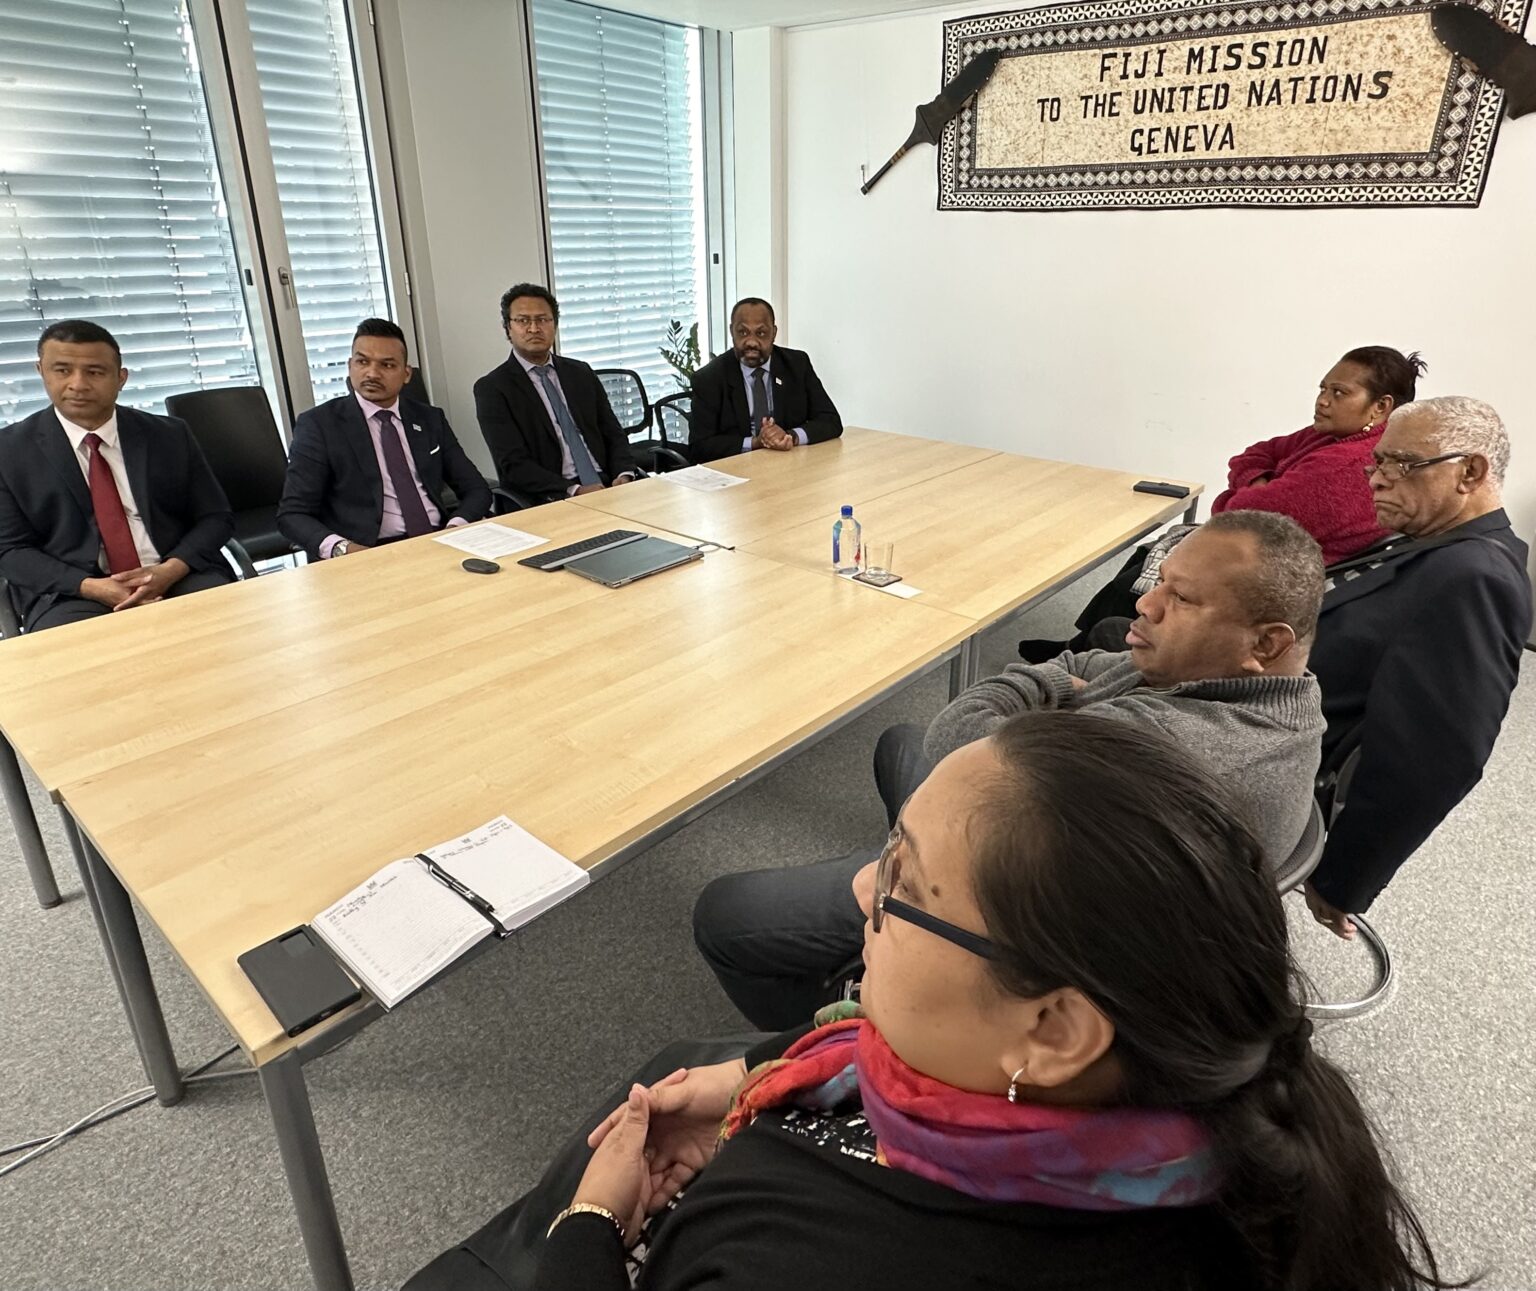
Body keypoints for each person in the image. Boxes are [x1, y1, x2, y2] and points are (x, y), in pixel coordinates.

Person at [407, 714, 1460, 1291]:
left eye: (903, 881)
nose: (865, 888)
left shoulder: (820, 1264)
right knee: (681, 1053)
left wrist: (591, 1224)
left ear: (1051, 1026)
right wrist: (748, 1080)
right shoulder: (1178, 1100)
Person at [695, 510, 1327, 1031]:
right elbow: (1085, 665)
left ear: (1265, 642)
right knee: (899, 741)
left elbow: (961, 735)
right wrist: (1065, 685)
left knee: (725, 915)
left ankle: (854, 1034)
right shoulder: (1273, 688)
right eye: (1161, 579)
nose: (1146, 602)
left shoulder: (1169, 745)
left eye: (1181, 598)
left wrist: (1051, 691)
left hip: (1036, 921)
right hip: (1082, 856)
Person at [1022, 346, 1424, 661]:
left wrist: (1258, 487)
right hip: (1270, 550)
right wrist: (1262, 481)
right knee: (1147, 553)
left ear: (1381, 406)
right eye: (1322, 388)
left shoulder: (1345, 465)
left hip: (1273, 573)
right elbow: (1252, 454)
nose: (1322, 400)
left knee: (1155, 564)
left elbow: (1234, 516)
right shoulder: (1334, 436)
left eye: (1339, 392)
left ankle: (1089, 652)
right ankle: (1078, 647)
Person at [1302, 395, 1530, 938]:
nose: (1376, 480)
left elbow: (1432, 760)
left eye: (1401, 465)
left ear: (1469, 471)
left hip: (1270, 752)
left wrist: (1343, 879)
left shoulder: (1475, 578)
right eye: (1376, 463)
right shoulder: (1436, 542)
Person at [0, 320, 234, 631]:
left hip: (177, 574)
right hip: (72, 593)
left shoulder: (169, 435)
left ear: (121, 378)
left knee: (227, 634)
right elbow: (10, 551)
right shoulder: (9, 450)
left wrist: (170, 570)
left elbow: (216, 517)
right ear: (41, 371)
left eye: (95, 372)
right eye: (62, 370)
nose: (78, 384)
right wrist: (92, 587)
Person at [277, 319, 490, 560]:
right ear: (349, 366)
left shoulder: (430, 418)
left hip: (438, 541)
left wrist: (455, 529)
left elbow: (476, 489)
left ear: (406, 374)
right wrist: (343, 548)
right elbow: (293, 514)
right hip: (366, 550)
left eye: (387, 365)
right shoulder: (319, 425)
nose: (372, 373)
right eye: (362, 362)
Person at [473, 284, 638, 504]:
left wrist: (624, 474)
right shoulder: (493, 388)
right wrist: (575, 490)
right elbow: (513, 464)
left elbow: (613, 433)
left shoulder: (580, 373)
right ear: (508, 329)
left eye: (542, 320)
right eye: (523, 320)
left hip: (608, 485)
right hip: (551, 496)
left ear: (555, 325)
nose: (534, 328)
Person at [687, 297, 842, 463]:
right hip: (738, 470)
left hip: (790, 465)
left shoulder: (796, 364)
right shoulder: (709, 378)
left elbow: (831, 421)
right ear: (732, 331)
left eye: (760, 333)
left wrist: (791, 436)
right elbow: (699, 446)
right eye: (743, 332)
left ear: (774, 333)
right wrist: (755, 443)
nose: (751, 342)